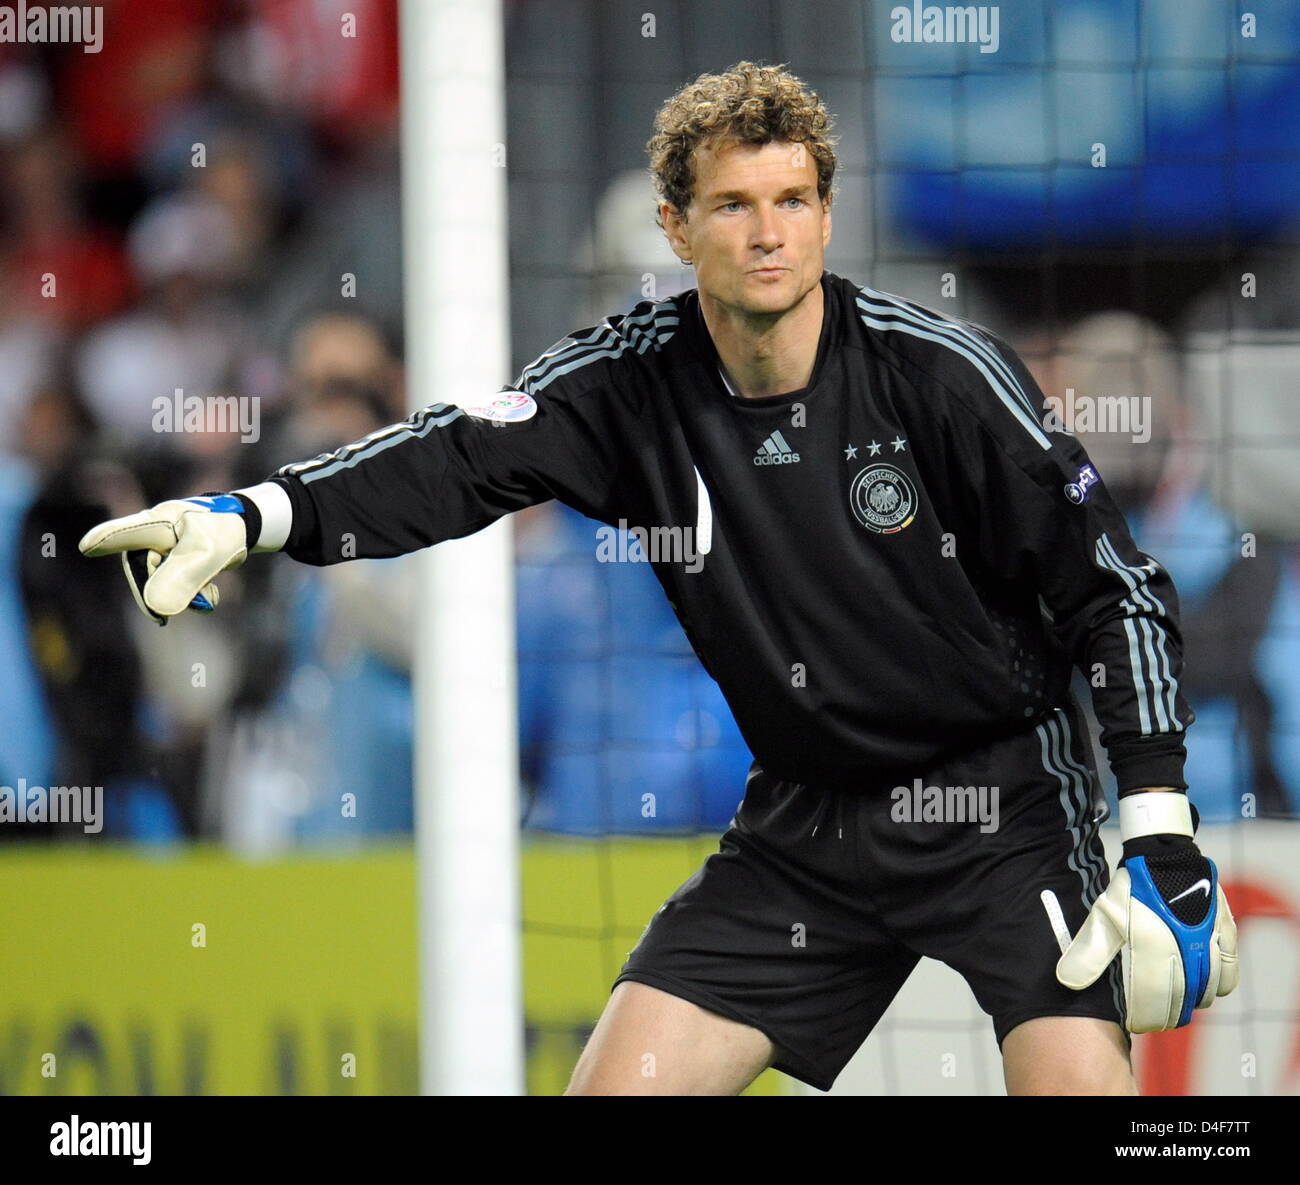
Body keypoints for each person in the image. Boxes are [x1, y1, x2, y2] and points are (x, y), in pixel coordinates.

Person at [78, 62, 1238, 1096]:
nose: (768, 233)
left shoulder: (938, 376)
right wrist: (259, 511)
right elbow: (453, 455)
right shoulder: (629, 386)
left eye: (792, 201)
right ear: (677, 230)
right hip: (805, 821)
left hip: (997, 809)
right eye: (733, 205)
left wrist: (1159, 831)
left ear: (827, 217)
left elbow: (1114, 590)